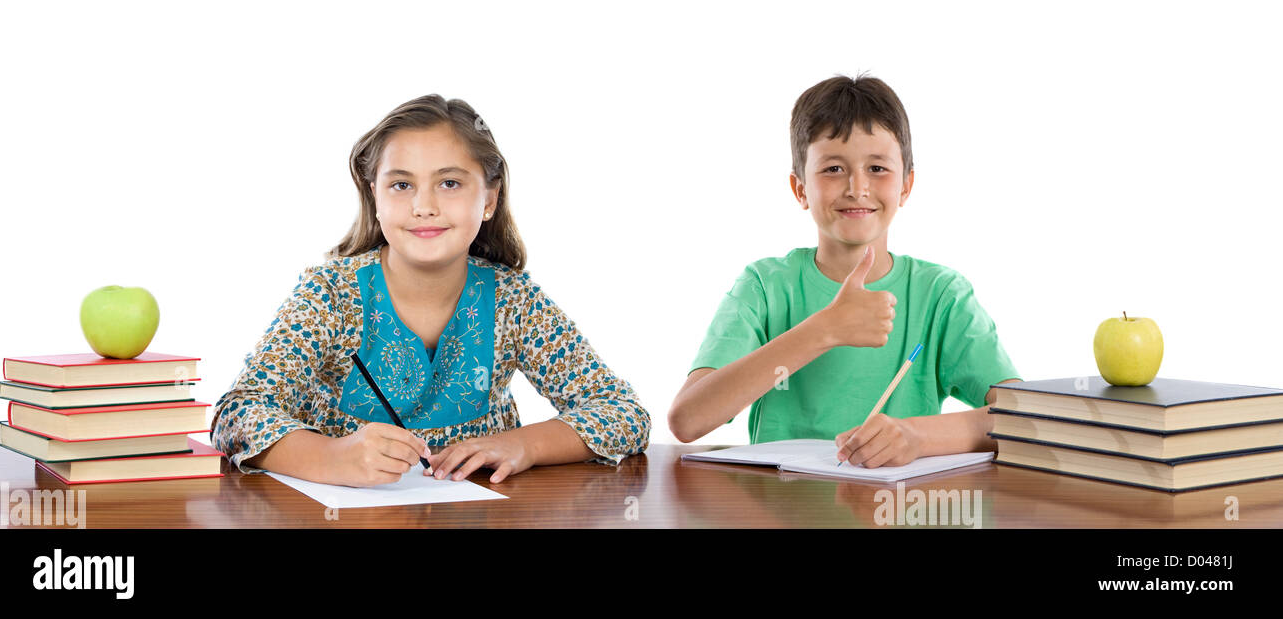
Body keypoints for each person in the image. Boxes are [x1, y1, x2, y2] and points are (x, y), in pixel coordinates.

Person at [211, 94, 649, 487]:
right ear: (375, 197)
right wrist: (331, 456)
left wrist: (526, 444)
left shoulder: (514, 301)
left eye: (450, 183)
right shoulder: (329, 295)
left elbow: (623, 413)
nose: (424, 206)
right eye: (401, 185)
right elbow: (236, 414)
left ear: (490, 199)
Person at [670, 74, 1022, 468]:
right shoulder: (765, 287)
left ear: (906, 186)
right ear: (800, 188)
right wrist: (826, 329)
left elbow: (1024, 418)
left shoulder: (941, 295)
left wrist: (919, 437)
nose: (857, 187)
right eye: (834, 169)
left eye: (877, 168)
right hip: (781, 510)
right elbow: (688, 420)